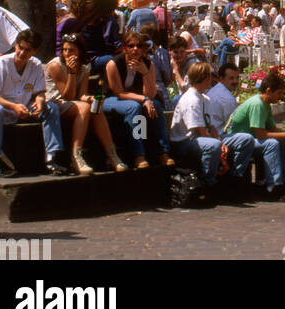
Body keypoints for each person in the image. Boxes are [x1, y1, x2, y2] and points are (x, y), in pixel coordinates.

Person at [0, 30, 66, 178]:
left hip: (20, 108)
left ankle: (52, 158)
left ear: (34, 51)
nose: (22, 53)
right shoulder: (0, 63)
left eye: (27, 50)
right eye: (20, 47)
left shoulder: (36, 65)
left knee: (51, 108)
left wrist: (39, 103)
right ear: (16, 45)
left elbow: (39, 93)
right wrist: (13, 107)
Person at [169, 62, 255, 197]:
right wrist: (220, 146)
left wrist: (220, 141)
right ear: (203, 78)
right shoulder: (191, 99)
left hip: (200, 139)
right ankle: (209, 183)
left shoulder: (204, 98)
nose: (211, 79)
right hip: (185, 142)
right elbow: (200, 131)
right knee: (213, 145)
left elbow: (211, 126)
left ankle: (236, 179)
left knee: (246, 139)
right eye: (209, 77)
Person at [45, 33, 127, 175]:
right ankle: (76, 156)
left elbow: (81, 94)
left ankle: (111, 154)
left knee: (96, 107)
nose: (67, 53)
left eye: (71, 50)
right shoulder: (55, 66)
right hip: (55, 104)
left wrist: (90, 99)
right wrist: (71, 73)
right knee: (84, 108)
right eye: (65, 50)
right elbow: (67, 95)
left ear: (80, 51)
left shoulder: (84, 65)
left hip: (72, 104)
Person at [224, 72, 285, 202]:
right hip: (238, 142)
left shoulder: (265, 104)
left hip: (250, 139)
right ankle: (273, 187)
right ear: (268, 91)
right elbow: (261, 134)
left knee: (282, 141)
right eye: (279, 93)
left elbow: (271, 128)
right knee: (271, 144)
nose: (281, 97)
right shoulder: (257, 104)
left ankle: (284, 182)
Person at [103, 32, 175, 169]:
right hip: (111, 99)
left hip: (136, 99)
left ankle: (163, 152)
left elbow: (151, 94)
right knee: (134, 107)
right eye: (131, 46)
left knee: (156, 106)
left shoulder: (148, 65)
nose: (135, 49)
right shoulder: (114, 64)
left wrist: (145, 73)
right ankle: (139, 154)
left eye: (139, 46)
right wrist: (144, 99)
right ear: (125, 48)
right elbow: (119, 92)